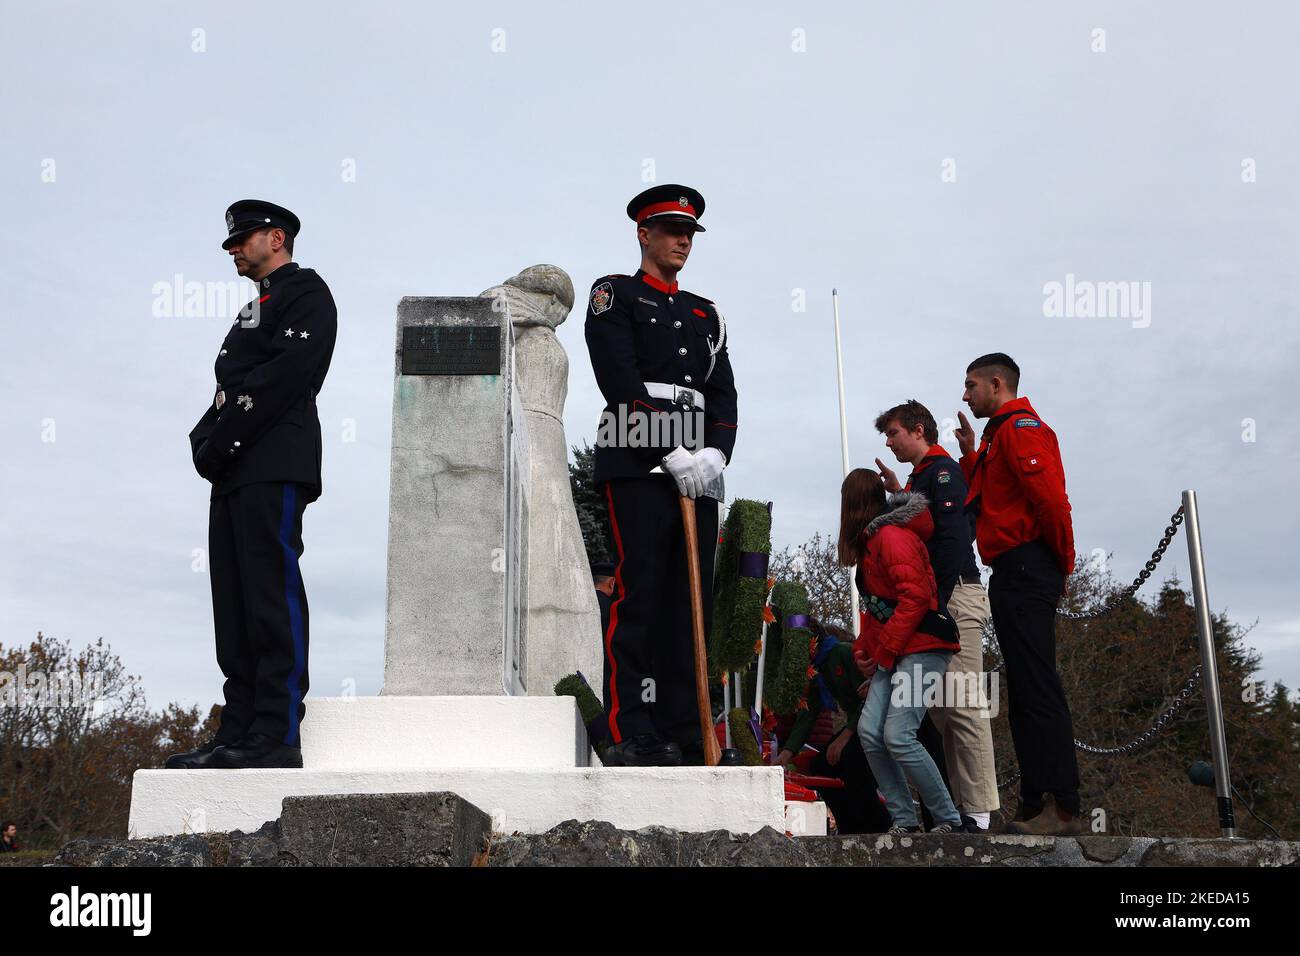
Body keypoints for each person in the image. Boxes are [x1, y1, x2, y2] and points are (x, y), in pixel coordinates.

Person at [167, 200, 338, 770]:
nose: (234, 249)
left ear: (278, 237)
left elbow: (283, 375)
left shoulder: (306, 292)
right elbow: (226, 389)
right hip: (237, 467)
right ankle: (236, 727)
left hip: (274, 458)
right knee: (233, 599)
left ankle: (276, 731)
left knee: (269, 589)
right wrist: (204, 440)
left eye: (243, 239)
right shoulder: (251, 308)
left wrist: (224, 440)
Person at [584, 184, 738, 767]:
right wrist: (665, 449)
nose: (683, 241)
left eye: (690, 233)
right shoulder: (614, 294)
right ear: (644, 234)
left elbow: (722, 395)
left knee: (689, 602)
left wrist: (716, 454)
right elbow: (617, 379)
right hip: (637, 461)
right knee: (640, 594)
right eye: (672, 230)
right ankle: (633, 728)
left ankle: (689, 725)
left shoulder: (705, 312)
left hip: (697, 470)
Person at [956, 352, 1081, 835]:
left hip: (1029, 564)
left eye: (971, 386)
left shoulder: (1020, 428)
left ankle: (1062, 806)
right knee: (1024, 689)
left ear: (996, 383)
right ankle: (1034, 803)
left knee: (1038, 686)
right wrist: (970, 453)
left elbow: (1050, 501)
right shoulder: (996, 437)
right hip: (1010, 569)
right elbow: (995, 497)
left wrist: (1061, 564)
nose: (965, 396)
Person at [875, 400, 999, 832]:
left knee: (964, 705)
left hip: (955, 596)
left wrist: (937, 609)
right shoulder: (923, 476)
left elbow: (949, 541)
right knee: (945, 711)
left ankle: (979, 816)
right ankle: (967, 812)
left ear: (918, 429)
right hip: (945, 599)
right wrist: (899, 494)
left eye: (893, 433)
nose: (889, 443)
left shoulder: (943, 472)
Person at [839, 469, 964, 834]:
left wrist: (884, 652)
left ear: (853, 503)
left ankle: (948, 820)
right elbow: (880, 610)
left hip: (924, 646)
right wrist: (866, 650)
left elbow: (915, 598)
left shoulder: (891, 537)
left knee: (898, 734)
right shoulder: (873, 542)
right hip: (900, 648)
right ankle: (905, 820)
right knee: (870, 733)